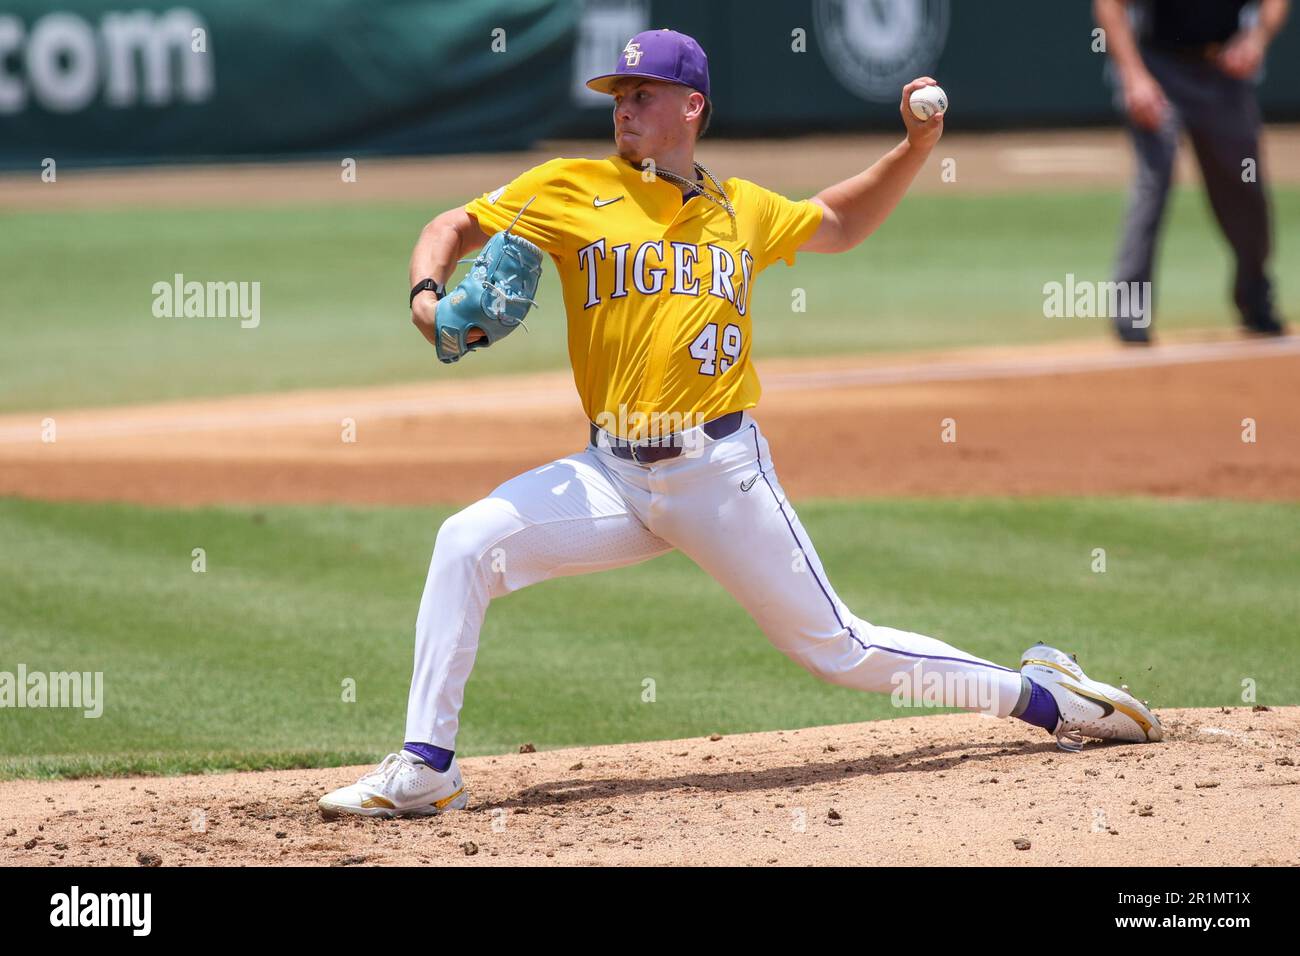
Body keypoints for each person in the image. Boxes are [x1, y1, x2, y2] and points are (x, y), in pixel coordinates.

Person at [318, 29, 1162, 819]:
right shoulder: (567, 186)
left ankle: (1043, 693)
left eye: (643, 93)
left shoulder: (742, 209)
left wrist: (913, 150)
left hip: (718, 475)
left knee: (839, 649)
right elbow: (451, 227)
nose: (623, 106)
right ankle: (428, 766)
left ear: (691, 107)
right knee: (466, 543)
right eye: (618, 92)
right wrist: (429, 297)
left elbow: (837, 221)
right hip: (609, 475)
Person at [1094, 0, 1291, 343]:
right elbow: (1108, 6)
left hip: (1223, 72)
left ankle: (1256, 298)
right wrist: (1133, 75)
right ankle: (1130, 313)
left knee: (1245, 186)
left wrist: (1257, 38)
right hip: (1158, 65)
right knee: (1155, 178)